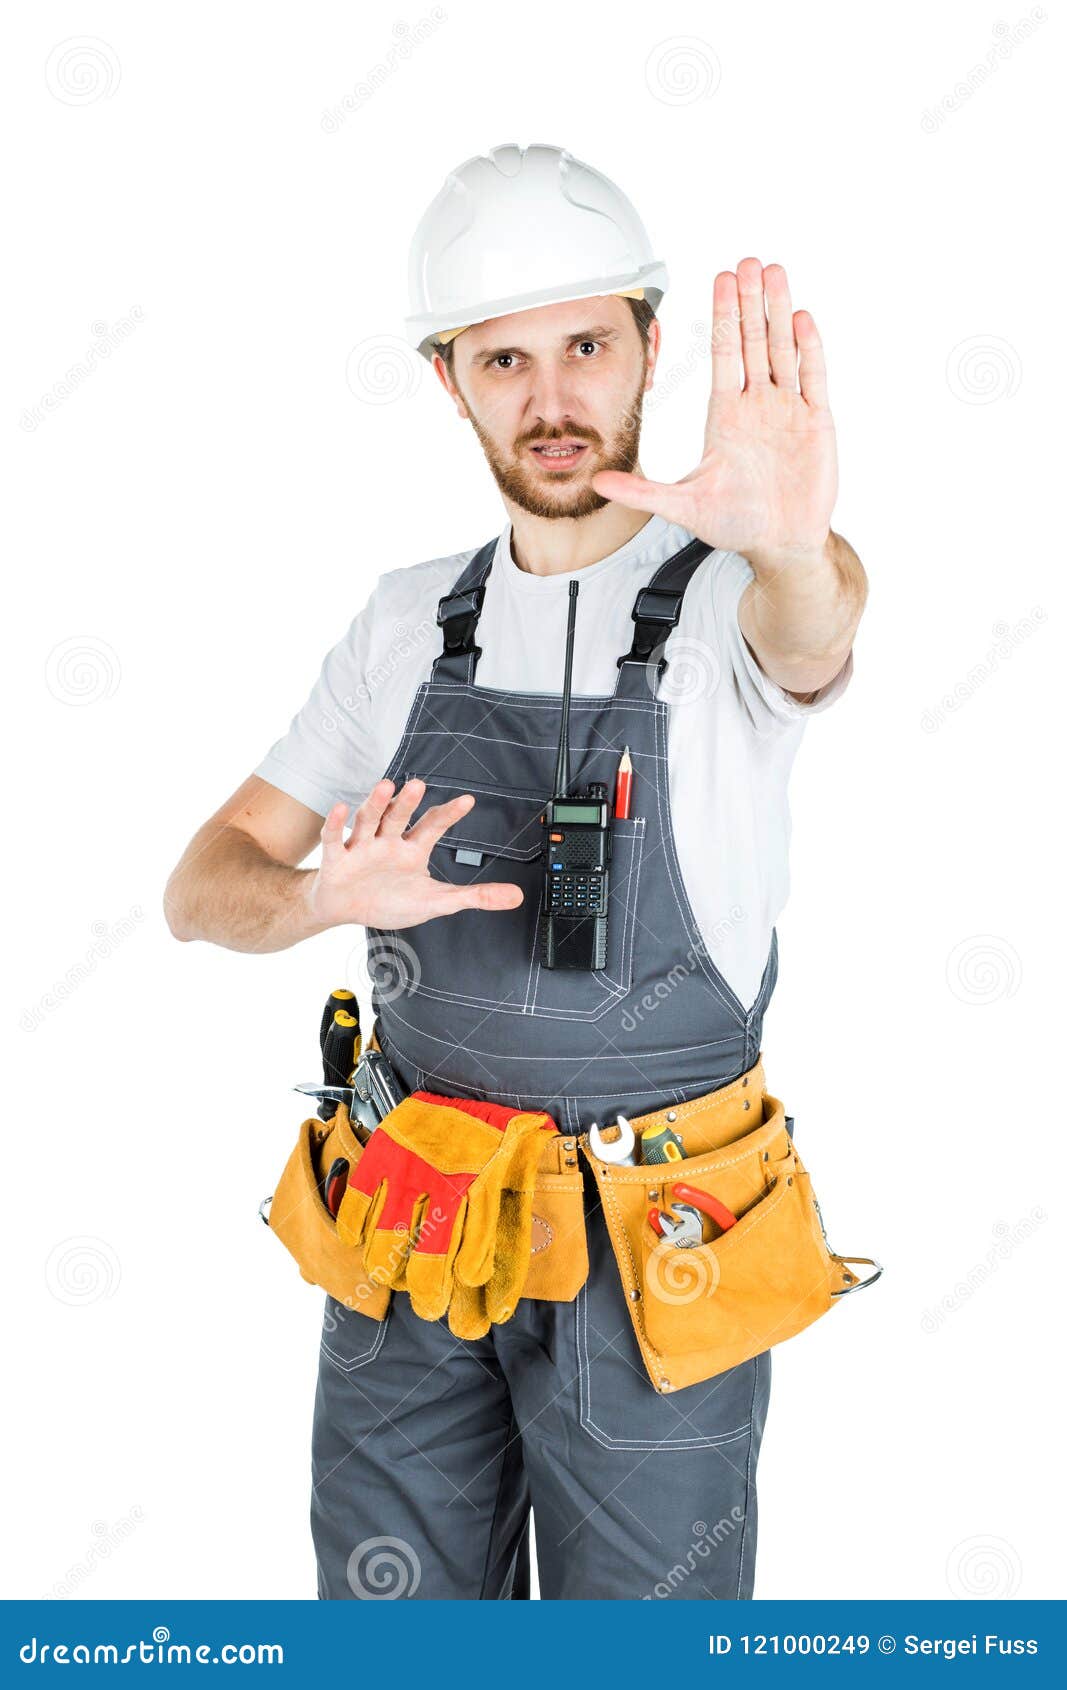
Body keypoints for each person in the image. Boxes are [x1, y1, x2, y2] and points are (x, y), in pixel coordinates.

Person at [164, 142, 867, 1601]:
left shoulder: (739, 592)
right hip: (414, 1220)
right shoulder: (406, 618)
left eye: (589, 345)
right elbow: (201, 885)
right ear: (451, 379)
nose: (552, 400)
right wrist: (314, 903)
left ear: (651, 347)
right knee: (390, 1630)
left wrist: (797, 549)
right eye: (505, 360)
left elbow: (818, 627)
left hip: (657, 1247)